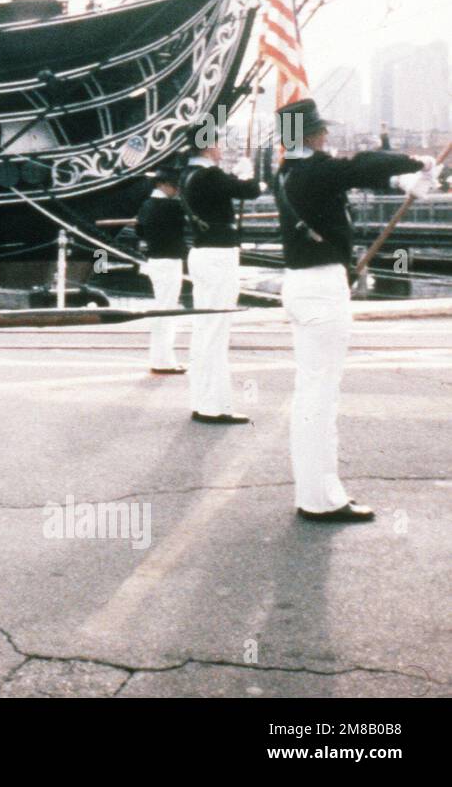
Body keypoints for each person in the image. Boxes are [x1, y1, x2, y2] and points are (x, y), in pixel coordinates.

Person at [273, 98, 433, 522]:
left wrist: (401, 183)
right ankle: (321, 499)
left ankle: (313, 492)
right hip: (322, 287)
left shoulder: (287, 172)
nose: (326, 137)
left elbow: (348, 177)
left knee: (312, 392)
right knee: (322, 397)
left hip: (303, 282)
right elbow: (360, 165)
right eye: (321, 131)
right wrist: (415, 160)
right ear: (311, 135)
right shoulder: (317, 168)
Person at [178, 125, 264, 424]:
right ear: (207, 146)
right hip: (218, 256)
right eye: (216, 142)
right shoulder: (210, 175)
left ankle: (203, 401)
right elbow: (251, 191)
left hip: (202, 253)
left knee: (204, 331)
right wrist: (247, 172)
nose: (220, 148)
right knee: (217, 333)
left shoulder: (187, 175)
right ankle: (215, 407)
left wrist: (237, 176)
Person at [135, 165, 187, 375]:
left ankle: (161, 357)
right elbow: (180, 234)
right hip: (169, 262)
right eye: (175, 186)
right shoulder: (172, 207)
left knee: (161, 310)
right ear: (164, 185)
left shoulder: (147, 205)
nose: (177, 190)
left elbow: (139, 230)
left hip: (154, 261)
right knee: (167, 312)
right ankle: (164, 360)